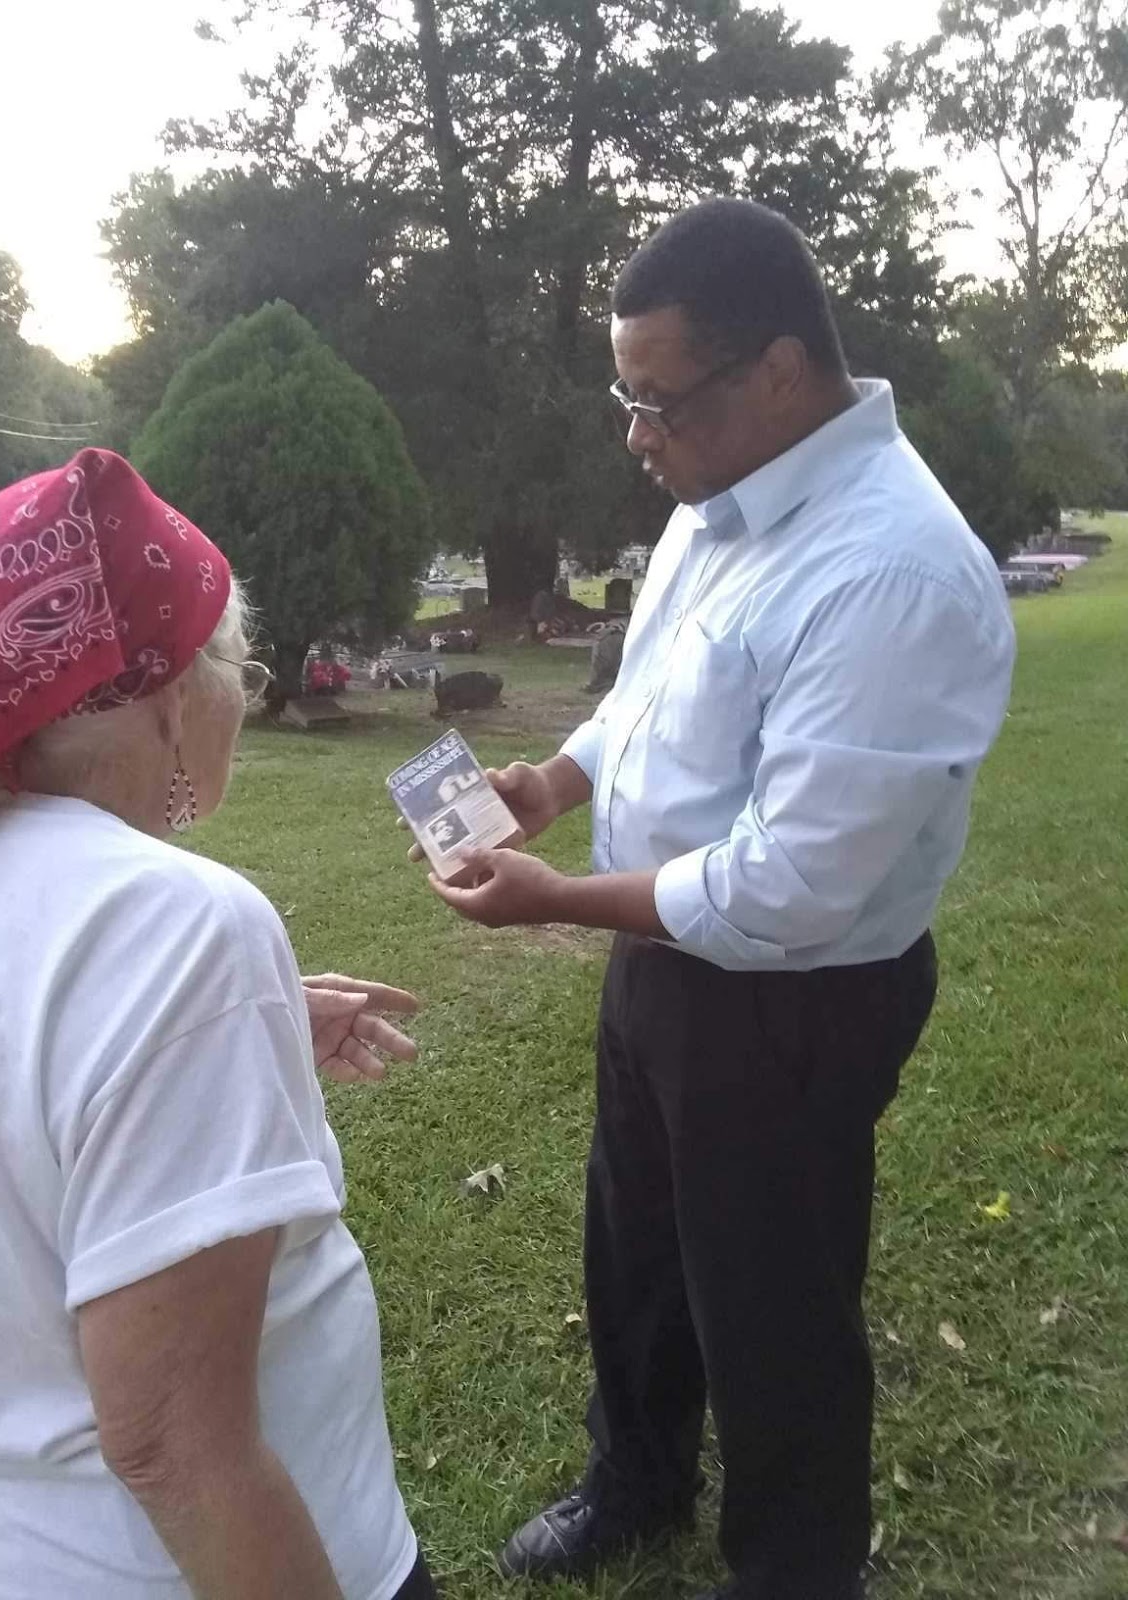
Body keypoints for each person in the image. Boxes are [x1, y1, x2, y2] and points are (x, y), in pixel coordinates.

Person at [428, 199, 1016, 1600]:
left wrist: (561, 896)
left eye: (658, 398)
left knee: (773, 1300)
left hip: (798, 995)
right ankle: (633, 1481)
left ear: (778, 375)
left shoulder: (891, 569)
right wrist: (556, 786)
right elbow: (647, 700)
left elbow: (795, 882)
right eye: (623, 393)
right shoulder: (721, 497)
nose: (636, 432)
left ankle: (797, 1569)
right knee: (633, 1246)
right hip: (668, 955)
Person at [0, 450, 437, 1600]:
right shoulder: (170, 928)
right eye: (236, 664)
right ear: (168, 690)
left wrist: (230, 1048)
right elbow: (172, 1447)